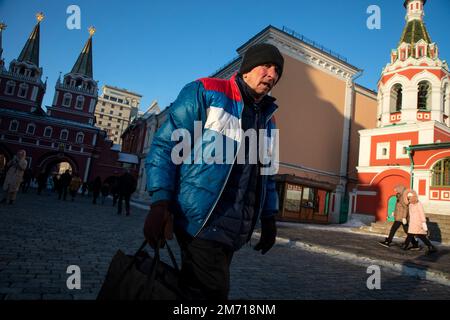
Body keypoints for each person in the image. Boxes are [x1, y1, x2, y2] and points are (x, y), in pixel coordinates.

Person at [143, 43, 283, 300]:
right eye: (266, 66)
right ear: (248, 68)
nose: (272, 75)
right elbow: (166, 146)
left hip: (234, 227)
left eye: (277, 71)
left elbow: (267, 174)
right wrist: (160, 202)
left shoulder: (268, 119)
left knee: (195, 292)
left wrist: (269, 217)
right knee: (212, 293)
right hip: (200, 219)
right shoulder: (207, 91)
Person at [379, 185, 419, 249]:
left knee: (393, 229)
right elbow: (398, 207)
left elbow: (405, 208)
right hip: (400, 217)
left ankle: (388, 241)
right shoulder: (400, 196)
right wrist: (393, 213)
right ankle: (415, 244)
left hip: (401, 218)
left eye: (396, 190)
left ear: (400, 189)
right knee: (407, 231)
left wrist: (404, 217)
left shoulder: (403, 197)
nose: (395, 191)